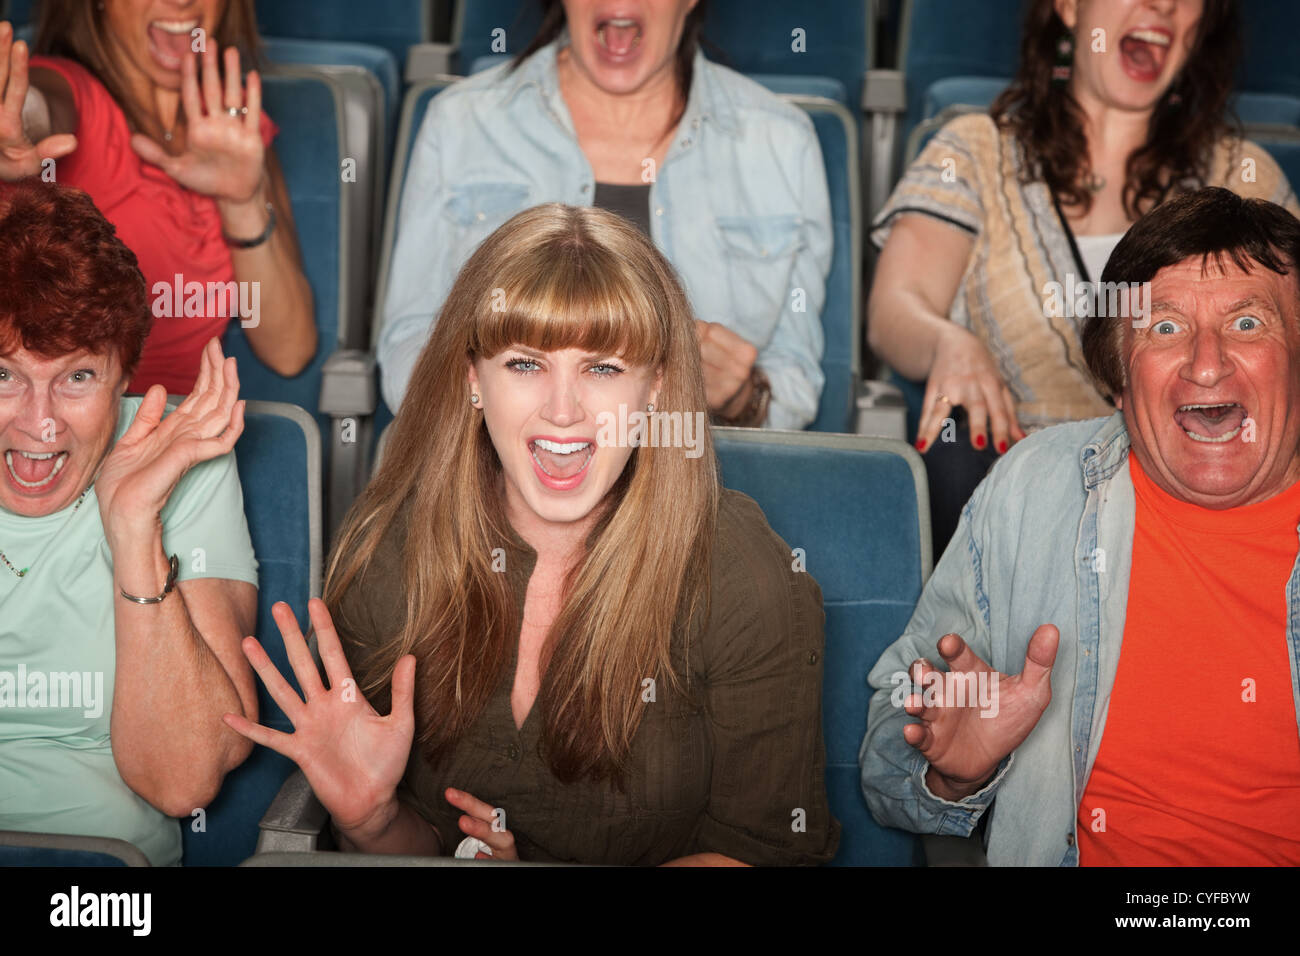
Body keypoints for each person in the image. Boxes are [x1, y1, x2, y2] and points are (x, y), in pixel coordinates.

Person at [226, 204, 840, 865]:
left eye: (602, 368)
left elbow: (760, 853)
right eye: (525, 364)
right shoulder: (391, 551)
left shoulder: (743, 576)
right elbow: (422, 845)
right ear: (472, 379)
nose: (563, 410)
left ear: (657, 387)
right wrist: (373, 822)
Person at [859, 188, 1300, 865]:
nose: (1206, 364)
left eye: (1247, 325)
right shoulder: (1037, 487)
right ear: (1119, 376)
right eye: (1164, 327)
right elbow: (892, 748)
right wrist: (953, 771)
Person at [869, 0, 1300, 553]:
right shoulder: (975, 151)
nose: (1162, 5)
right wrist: (947, 343)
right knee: (954, 445)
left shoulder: (1246, 176)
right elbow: (894, 310)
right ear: (1069, 8)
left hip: (1196, 496)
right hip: (1014, 497)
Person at [376, 0, 832, 430]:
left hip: (699, 476)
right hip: (497, 480)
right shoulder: (460, 122)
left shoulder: (782, 141)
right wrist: (501, 403)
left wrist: (742, 399)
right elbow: (407, 348)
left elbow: (796, 378)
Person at [0, 179, 259, 866]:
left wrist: (134, 527)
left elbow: (184, 780)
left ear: (126, 379)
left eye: (78, 377)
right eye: (6, 376)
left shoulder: (184, 460)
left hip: (102, 880)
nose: (40, 420)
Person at [0, 0, 315, 395]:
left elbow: (290, 351)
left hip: (182, 434)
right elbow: (36, 107)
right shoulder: (66, 89)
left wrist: (241, 203)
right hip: (65, 434)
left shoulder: (232, 125)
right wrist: (19, 122)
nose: (181, 2)